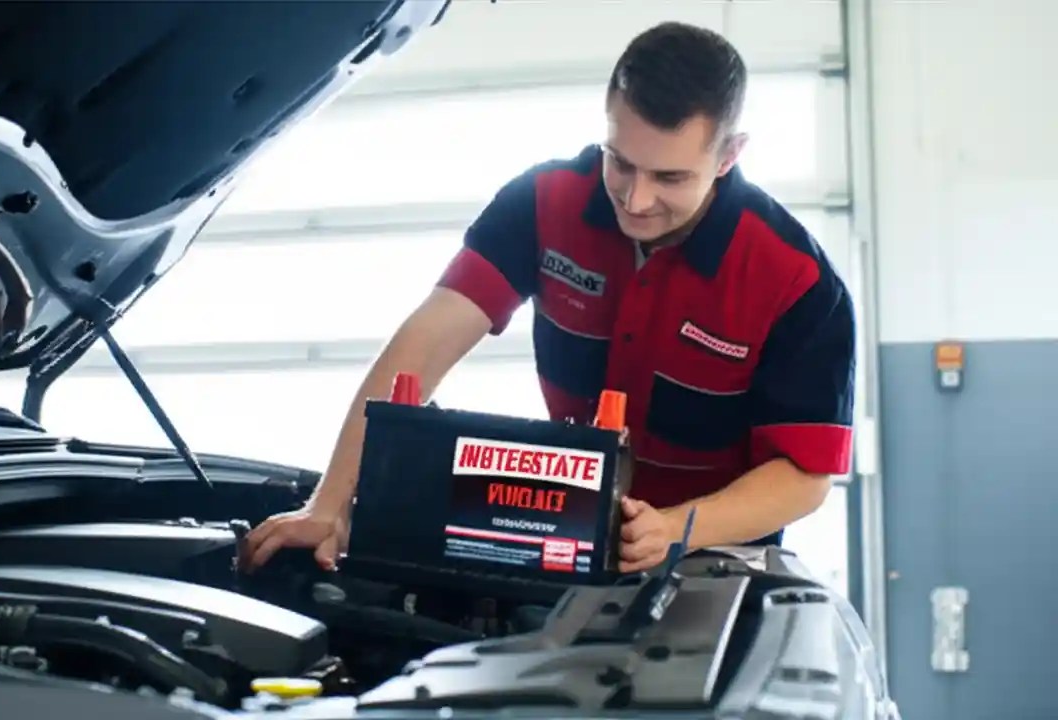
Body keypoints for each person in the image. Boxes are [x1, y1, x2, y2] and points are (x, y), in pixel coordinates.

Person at [242, 21, 855, 574]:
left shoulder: (796, 281)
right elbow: (425, 343)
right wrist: (329, 503)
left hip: (714, 559)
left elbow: (804, 476)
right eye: (621, 162)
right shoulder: (543, 204)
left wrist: (676, 529)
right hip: (564, 538)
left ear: (729, 155)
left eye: (670, 177)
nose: (637, 200)